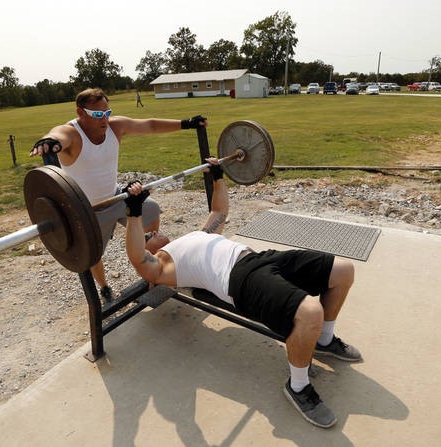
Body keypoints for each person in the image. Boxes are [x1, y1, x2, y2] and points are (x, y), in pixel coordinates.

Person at [123, 159, 362, 428]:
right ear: (149, 251)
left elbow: (220, 211)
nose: (152, 233)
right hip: (240, 279)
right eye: (147, 237)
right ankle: (298, 386)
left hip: (261, 259)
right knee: (310, 312)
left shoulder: (197, 236)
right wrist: (133, 214)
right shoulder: (164, 266)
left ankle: (324, 340)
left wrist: (217, 177)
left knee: (343, 270)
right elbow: (136, 257)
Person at [29, 87, 207, 302]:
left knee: (150, 210)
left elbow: (149, 125)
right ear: (80, 112)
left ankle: (152, 268)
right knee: (92, 254)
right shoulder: (73, 133)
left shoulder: (115, 127)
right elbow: (59, 134)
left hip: (116, 197)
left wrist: (186, 123)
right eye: (97, 114)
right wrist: (49, 140)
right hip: (88, 210)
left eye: (107, 112)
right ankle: (104, 288)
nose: (103, 119)